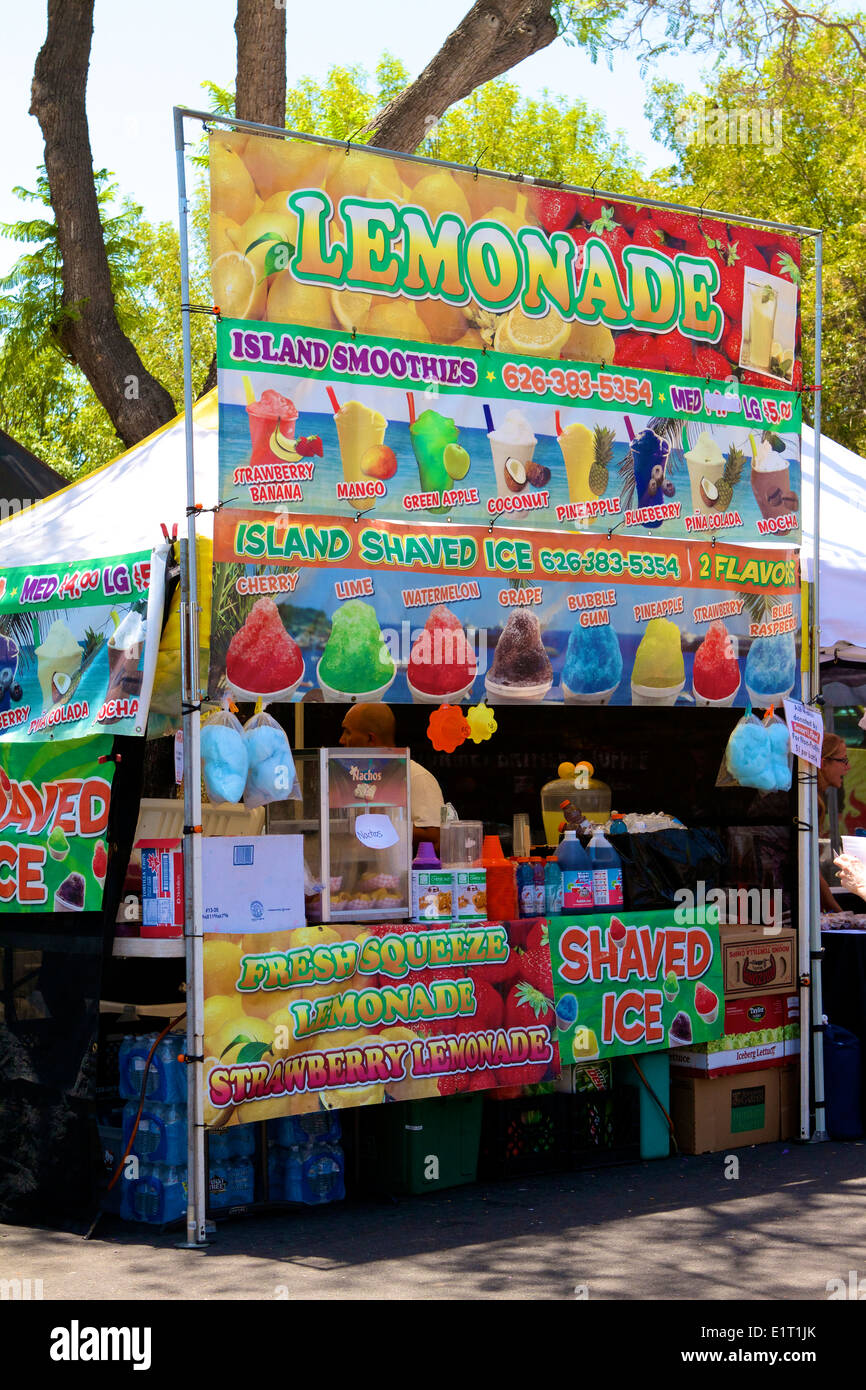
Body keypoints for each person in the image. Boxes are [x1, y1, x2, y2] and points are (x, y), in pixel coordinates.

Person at [339, 703, 445, 850]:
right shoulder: (354, 776)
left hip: (401, 873)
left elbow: (434, 839)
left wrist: (380, 826)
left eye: (347, 732)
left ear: (371, 739)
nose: (342, 740)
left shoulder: (416, 776)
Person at [818, 732, 850, 911]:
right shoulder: (810, 803)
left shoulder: (815, 799)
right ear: (823, 762)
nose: (848, 767)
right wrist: (840, 914)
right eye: (843, 760)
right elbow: (810, 869)